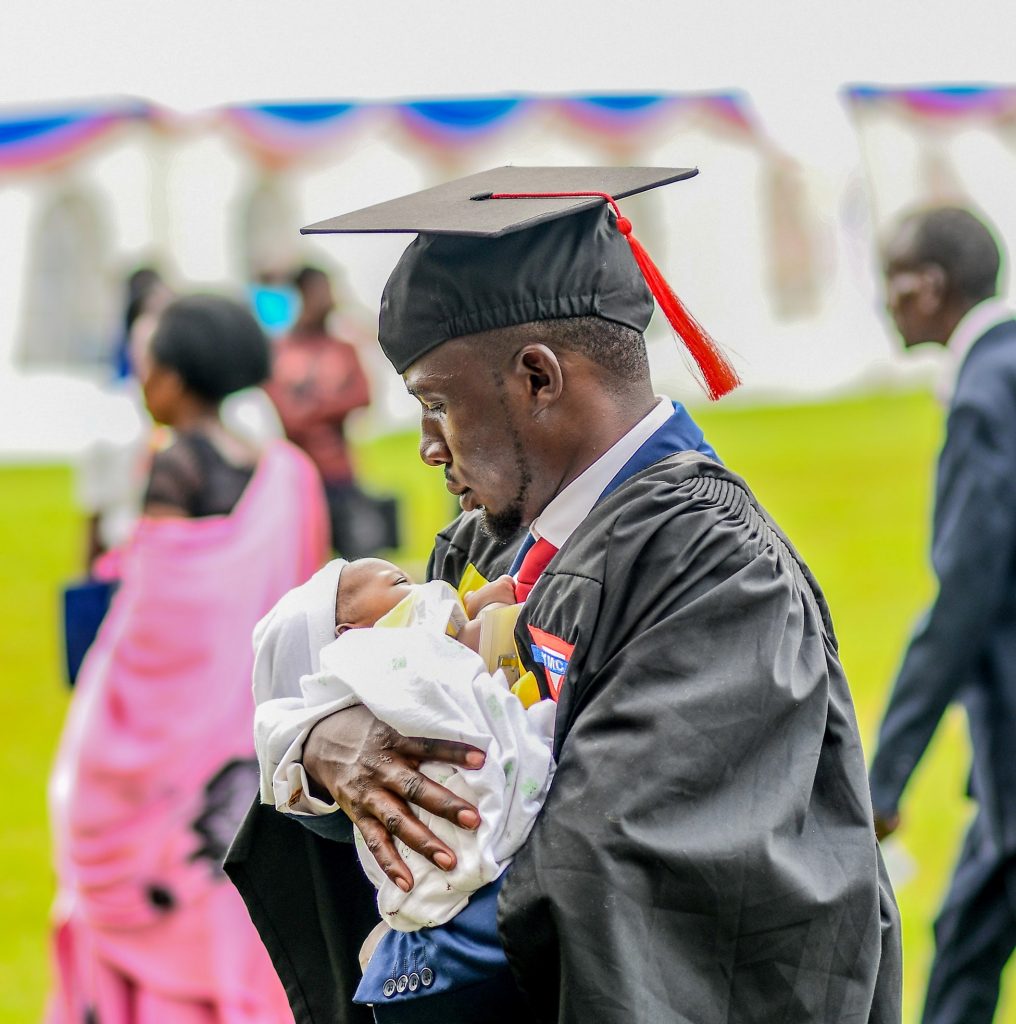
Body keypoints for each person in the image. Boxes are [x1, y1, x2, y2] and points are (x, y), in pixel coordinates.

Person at [226, 167, 902, 1024]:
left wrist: (404, 971)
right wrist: (324, 744)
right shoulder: (486, 544)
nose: (429, 448)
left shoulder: (714, 567)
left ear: (539, 379)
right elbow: (419, 784)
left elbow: (612, 866)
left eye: (437, 404)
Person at [47, 295, 329, 1024]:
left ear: (173, 380)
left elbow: (152, 623)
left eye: (149, 369)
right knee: (225, 885)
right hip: (245, 729)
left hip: (172, 748)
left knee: (159, 879)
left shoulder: (173, 465)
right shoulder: (286, 473)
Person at [251, 556, 553, 1016]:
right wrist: (475, 605)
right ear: (349, 636)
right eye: (400, 582)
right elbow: (441, 626)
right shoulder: (381, 655)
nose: (426, 587)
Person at [868, 206, 1016, 1024]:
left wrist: (885, 778)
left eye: (889, 281)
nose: (883, 302)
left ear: (927, 287)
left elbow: (963, 600)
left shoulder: (982, 397)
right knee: (966, 934)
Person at [265, 265, 385, 558]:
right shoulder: (280, 350)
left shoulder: (342, 348)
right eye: (322, 290)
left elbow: (361, 396)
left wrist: (311, 409)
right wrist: (327, 406)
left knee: (360, 560)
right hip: (298, 476)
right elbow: (282, 411)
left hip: (339, 473)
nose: (330, 298)